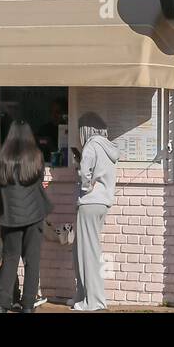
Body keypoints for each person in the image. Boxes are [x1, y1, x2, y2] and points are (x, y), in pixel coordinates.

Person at [0, 121, 53, 313]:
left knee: (9, 259)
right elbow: (40, 179)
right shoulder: (35, 156)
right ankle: (27, 305)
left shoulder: (1, 158)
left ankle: (1, 304)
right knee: (31, 261)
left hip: (10, 216)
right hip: (34, 214)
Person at [71, 112, 118, 312]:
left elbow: (84, 173)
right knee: (88, 250)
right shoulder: (109, 147)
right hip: (103, 203)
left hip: (89, 203)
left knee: (87, 253)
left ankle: (93, 301)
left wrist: (85, 185)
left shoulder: (91, 145)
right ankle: (84, 295)